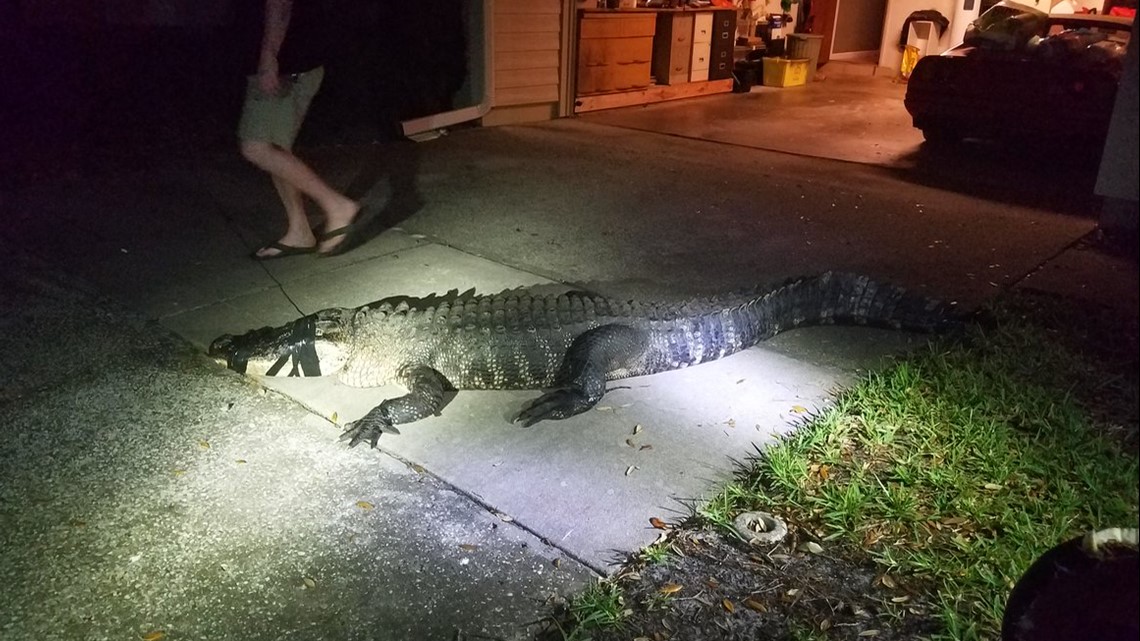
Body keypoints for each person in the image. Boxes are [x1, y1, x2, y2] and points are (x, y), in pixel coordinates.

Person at [237, 0, 360, 259]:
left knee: (256, 146)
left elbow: (279, 5)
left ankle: (336, 205)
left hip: (286, 64)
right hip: (284, 62)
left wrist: (268, 57)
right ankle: (300, 231)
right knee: (276, 149)